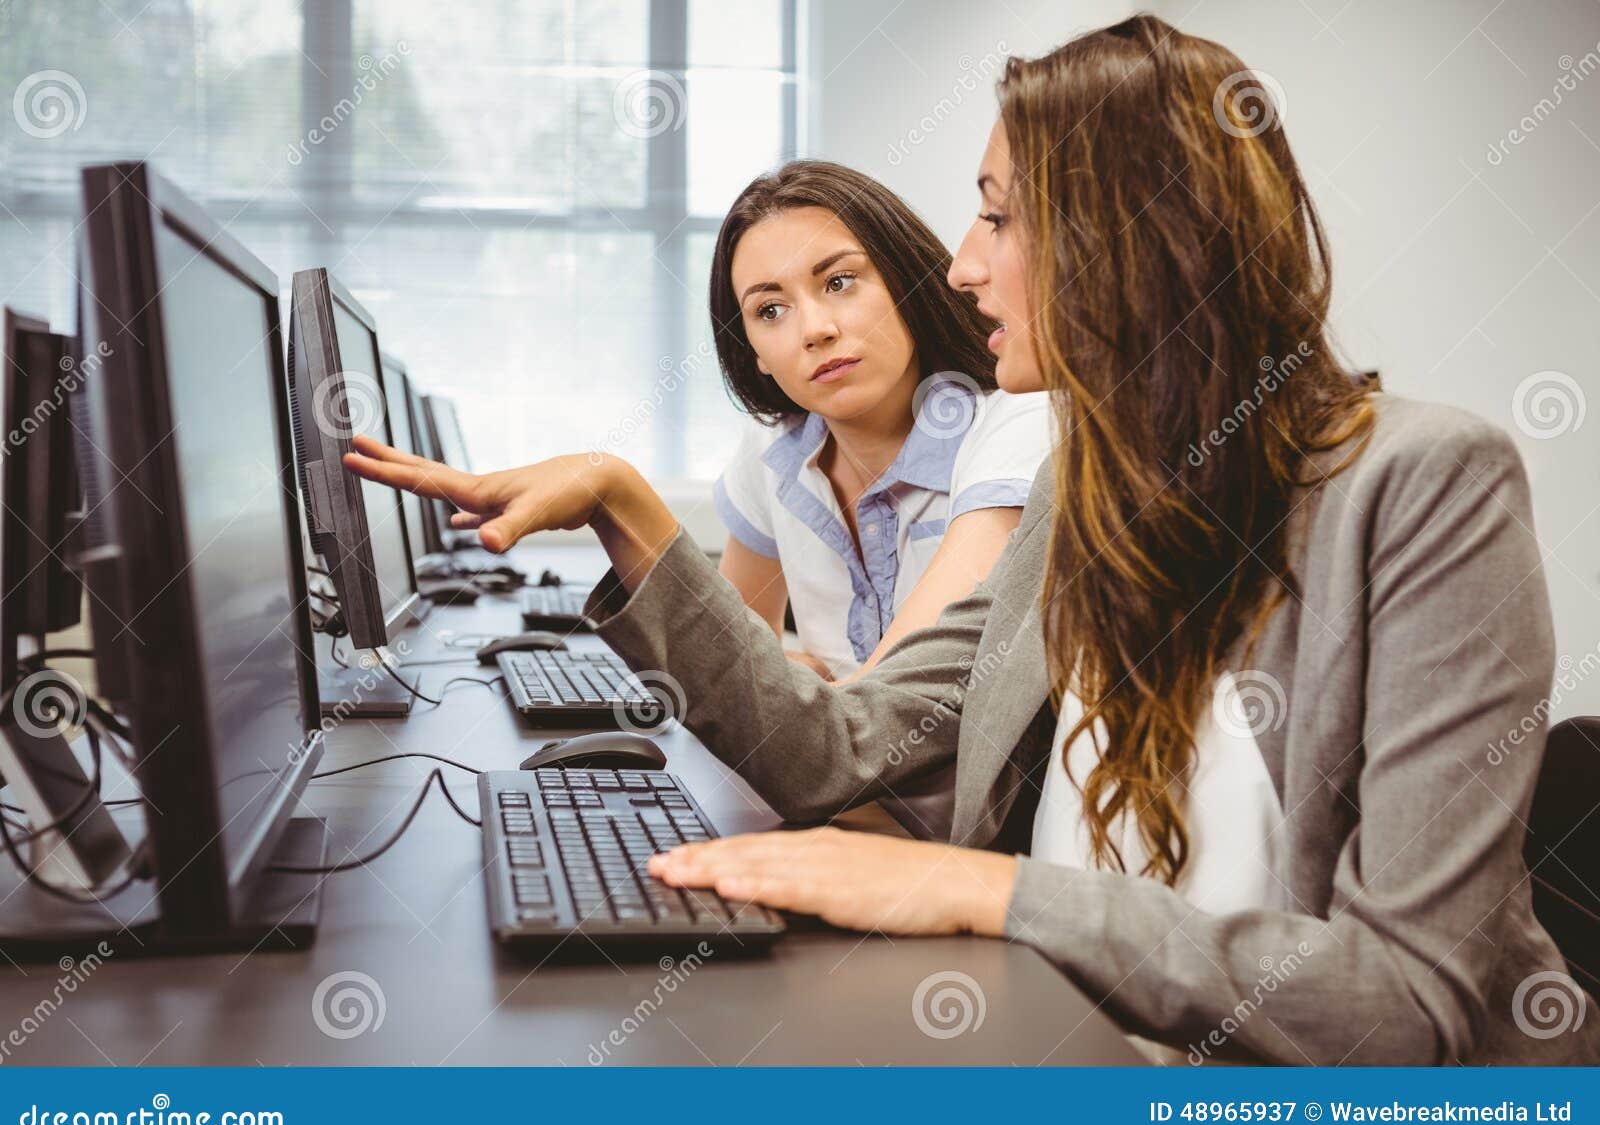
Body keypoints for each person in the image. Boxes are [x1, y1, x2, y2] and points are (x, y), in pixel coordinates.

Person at [343, 14, 1599, 1064]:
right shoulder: (1080, 493)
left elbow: (1408, 1004)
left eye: (998, 219)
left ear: (1134, 235)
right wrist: (624, 503)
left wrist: (984, 890)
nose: (959, 266)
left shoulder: (1424, 484)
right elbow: (842, 747)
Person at [709, 161, 1050, 681]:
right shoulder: (774, 447)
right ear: (752, 350)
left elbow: (884, 704)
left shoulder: (1015, 422)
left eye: (840, 282)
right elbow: (726, 675)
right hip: (825, 759)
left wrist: (790, 693)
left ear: (905, 279)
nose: (815, 330)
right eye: (771, 311)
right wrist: (785, 676)